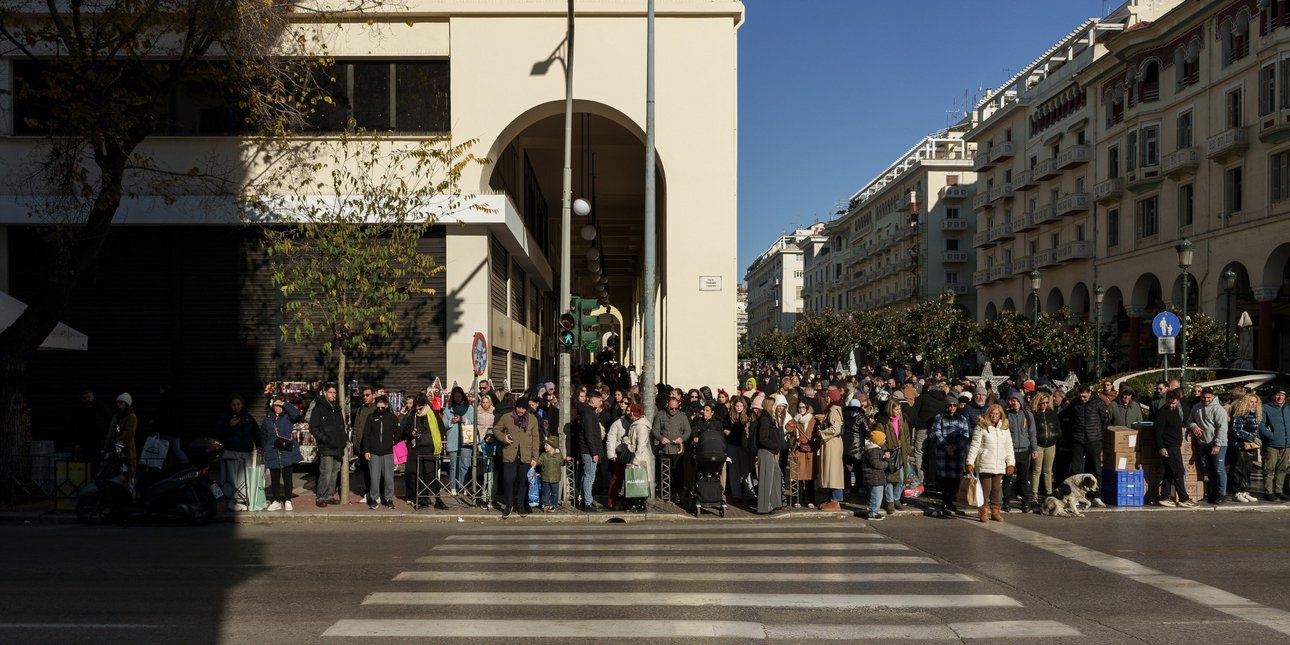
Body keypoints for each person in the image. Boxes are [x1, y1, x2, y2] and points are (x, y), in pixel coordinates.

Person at [492, 396, 542, 518]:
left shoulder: (532, 420)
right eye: (519, 408)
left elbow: (536, 439)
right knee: (508, 480)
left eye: (523, 408)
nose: (521, 411)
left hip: (526, 455)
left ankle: (520, 506)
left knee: (523, 481)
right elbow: (496, 429)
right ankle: (508, 505)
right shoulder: (507, 417)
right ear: (515, 407)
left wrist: (535, 457)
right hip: (510, 454)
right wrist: (503, 438)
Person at [1060, 385, 1109, 507]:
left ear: (1089, 393)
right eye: (1080, 396)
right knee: (1075, 469)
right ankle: (1073, 496)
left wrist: (1098, 434)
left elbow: (1105, 420)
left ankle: (1096, 496)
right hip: (1078, 439)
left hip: (1094, 439)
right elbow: (1070, 420)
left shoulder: (1098, 403)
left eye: (1084, 396)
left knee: (1096, 468)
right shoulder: (1074, 404)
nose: (1082, 399)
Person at [966, 403, 1015, 523]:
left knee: (996, 490)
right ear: (988, 414)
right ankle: (983, 511)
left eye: (997, 414)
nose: (994, 416)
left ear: (1000, 415)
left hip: (999, 464)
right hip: (985, 463)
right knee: (986, 490)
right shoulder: (981, 427)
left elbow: (1009, 447)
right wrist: (970, 462)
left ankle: (995, 511)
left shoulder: (1004, 428)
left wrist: (1010, 463)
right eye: (992, 413)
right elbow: (974, 446)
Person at [401, 394, 448, 510]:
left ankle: (438, 499)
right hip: (416, 448)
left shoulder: (432, 414)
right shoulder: (412, 415)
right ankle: (422, 499)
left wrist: (433, 439)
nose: (418, 410)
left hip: (430, 449)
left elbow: (441, 429)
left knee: (431, 474)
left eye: (420, 408)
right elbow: (405, 429)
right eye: (416, 407)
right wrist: (411, 433)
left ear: (425, 405)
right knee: (419, 474)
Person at [1187, 387, 1229, 505]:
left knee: (1219, 469)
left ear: (1213, 396)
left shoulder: (1218, 409)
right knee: (1209, 470)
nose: (1206, 400)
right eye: (1204, 397)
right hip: (1203, 443)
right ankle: (1213, 492)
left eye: (1209, 397)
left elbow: (1222, 428)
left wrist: (1217, 444)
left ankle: (1222, 494)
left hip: (1218, 444)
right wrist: (1194, 426)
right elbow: (1189, 420)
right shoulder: (1196, 407)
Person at [216, 395, 257, 512]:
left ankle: (242, 499)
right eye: (233, 404)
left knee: (243, 478)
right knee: (231, 477)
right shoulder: (224, 417)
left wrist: (260, 445)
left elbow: (255, 431)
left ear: (242, 405)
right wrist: (229, 425)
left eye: (238, 404)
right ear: (230, 405)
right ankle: (231, 500)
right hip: (230, 451)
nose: (236, 407)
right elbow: (217, 432)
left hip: (245, 452)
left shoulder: (248, 417)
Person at [930, 398, 971, 516]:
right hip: (944, 452)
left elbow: (966, 435)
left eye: (954, 405)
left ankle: (951, 501)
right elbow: (936, 433)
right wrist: (947, 446)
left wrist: (954, 447)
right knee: (944, 479)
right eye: (950, 405)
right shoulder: (940, 417)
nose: (952, 407)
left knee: (955, 480)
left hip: (957, 452)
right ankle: (945, 501)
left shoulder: (962, 418)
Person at [1153, 391, 1194, 507]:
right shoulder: (1162, 412)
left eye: (1174, 403)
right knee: (1178, 471)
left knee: (1170, 471)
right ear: (1166, 400)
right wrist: (1161, 447)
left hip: (1175, 446)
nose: (1171, 405)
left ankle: (1164, 496)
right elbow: (1157, 432)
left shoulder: (1176, 410)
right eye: (1169, 403)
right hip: (1168, 447)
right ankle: (1184, 498)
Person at [309, 383, 345, 508]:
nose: (333, 395)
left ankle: (329, 495)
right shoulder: (318, 408)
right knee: (326, 472)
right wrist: (324, 439)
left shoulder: (337, 407)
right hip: (326, 446)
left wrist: (343, 440)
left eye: (334, 393)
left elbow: (341, 426)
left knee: (335, 472)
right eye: (330, 392)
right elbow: (313, 427)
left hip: (338, 446)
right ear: (324, 393)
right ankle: (320, 497)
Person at [651, 396, 692, 504]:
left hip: (677, 450)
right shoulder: (660, 414)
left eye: (676, 408)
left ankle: (677, 493)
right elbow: (655, 430)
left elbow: (688, 431)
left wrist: (681, 439)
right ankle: (666, 494)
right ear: (667, 406)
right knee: (665, 473)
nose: (673, 410)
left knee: (678, 473)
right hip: (664, 449)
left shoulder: (682, 416)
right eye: (671, 408)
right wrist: (661, 438)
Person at [361, 395, 399, 509]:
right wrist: (366, 450)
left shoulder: (392, 417)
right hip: (374, 452)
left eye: (382, 408)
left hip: (388, 452)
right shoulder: (371, 417)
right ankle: (373, 498)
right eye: (378, 408)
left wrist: (393, 441)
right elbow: (366, 435)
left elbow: (397, 432)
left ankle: (389, 498)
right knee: (374, 476)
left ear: (386, 405)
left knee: (388, 477)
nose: (380, 410)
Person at [874, 399, 911, 514]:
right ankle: (890, 501)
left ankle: (896, 499)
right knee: (889, 478)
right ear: (890, 409)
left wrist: (908, 451)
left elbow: (907, 436)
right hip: (890, 452)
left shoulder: (902, 420)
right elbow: (878, 438)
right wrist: (884, 450)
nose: (898, 411)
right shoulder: (883, 422)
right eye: (896, 409)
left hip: (902, 452)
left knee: (901, 478)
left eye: (899, 409)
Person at [1002, 392, 1037, 513]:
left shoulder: (1028, 415)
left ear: (1020, 402)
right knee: (1008, 477)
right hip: (1010, 451)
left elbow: (1032, 433)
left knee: (1024, 478)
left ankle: (1025, 503)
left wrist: (1034, 449)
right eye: (1011, 400)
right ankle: (1006, 502)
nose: (1013, 403)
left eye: (1015, 400)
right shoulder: (1006, 415)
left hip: (1024, 451)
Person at [1227, 393, 1262, 503]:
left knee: (1247, 469)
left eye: (1255, 402)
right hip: (1238, 446)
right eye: (1251, 401)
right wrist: (1252, 437)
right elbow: (1236, 430)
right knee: (1238, 469)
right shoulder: (1240, 413)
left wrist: (1255, 438)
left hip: (1249, 446)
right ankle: (1236, 492)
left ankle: (1245, 491)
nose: (1253, 404)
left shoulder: (1254, 414)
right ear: (1246, 402)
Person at [753, 395, 785, 514]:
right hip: (766, 451)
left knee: (775, 475)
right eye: (775, 405)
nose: (777, 407)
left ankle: (775, 503)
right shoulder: (764, 419)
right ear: (770, 406)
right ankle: (764, 507)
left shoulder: (769, 418)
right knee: (766, 479)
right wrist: (774, 446)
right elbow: (763, 438)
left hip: (770, 451)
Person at [576, 390, 607, 512]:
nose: (600, 403)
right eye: (599, 401)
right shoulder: (589, 414)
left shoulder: (589, 412)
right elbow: (589, 435)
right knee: (590, 476)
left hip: (589, 450)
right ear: (593, 400)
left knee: (587, 475)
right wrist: (594, 452)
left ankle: (585, 499)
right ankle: (587, 502)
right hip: (589, 451)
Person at [443, 387, 475, 497]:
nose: (457, 398)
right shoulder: (448, 408)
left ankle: (465, 486)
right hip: (452, 439)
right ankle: (453, 487)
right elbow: (444, 425)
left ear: (462, 396)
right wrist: (451, 421)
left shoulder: (469, 408)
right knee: (453, 465)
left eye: (459, 396)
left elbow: (473, 422)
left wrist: (463, 420)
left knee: (465, 464)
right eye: (455, 396)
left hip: (466, 439)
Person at [815, 401, 846, 511]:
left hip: (832, 444)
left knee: (834, 473)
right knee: (831, 472)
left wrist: (822, 433)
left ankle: (835, 500)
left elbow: (835, 429)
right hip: (831, 443)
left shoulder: (833, 411)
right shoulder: (834, 410)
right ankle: (832, 499)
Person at [1030, 392, 1060, 501]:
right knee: (1036, 470)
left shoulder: (1052, 413)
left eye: (1047, 402)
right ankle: (1034, 493)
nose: (1045, 405)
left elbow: (1057, 427)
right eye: (1042, 403)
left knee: (1048, 470)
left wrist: (1055, 436)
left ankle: (1049, 493)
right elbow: (1032, 430)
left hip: (1051, 444)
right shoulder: (1034, 414)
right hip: (1038, 445)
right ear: (1038, 403)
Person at [1260, 389, 1290, 501]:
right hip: (1271, 444)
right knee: (1269, 469)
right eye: (1278, 395)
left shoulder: (1287, 408)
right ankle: (1268, 492)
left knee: (1282, 469)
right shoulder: (1265, 407)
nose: (1280, 397)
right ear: (1273, 395)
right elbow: (1260, 425)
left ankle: (1279, 491)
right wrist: (1272, 436)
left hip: (1286, 444)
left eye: (1282, 395)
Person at [786, 400, 817, 508]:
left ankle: (810, 499)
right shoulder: (797, 419)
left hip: (809, 451)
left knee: (809, 477)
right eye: (799, 407)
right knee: (797, 476)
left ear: (807, 408)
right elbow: (788, 428)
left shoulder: (813, 419)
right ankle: (797, 499)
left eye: (803, 407)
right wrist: (795, 419)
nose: (801, 410)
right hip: (798, 450)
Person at [625, 403, 654, 511]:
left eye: (630, 411)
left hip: (640, 456)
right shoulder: (637, 424)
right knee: (637, 479)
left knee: (639, 479)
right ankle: (637, 503)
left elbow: (641, 444)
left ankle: (641, 504)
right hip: (638, 454)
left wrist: (636, 460)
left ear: (633, 412)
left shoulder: (640, 426)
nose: (628, 413)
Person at [860, 429, 889, 521]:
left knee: (877, 495)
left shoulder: (873, 449)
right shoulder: (874, 450)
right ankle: (873, 513)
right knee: (876, 495)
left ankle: (874, 511)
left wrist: (883, 457)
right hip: (875, 477)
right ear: (878, 441)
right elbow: (876, 463)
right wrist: (886, 463)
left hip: (875, 476)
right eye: (883, 439)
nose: (885, 441)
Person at [72, 390, 112, 458]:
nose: (87, 399)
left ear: (93, 397)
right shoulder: (79, 410)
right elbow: (76, 427)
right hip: (84, 442)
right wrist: (77, 443)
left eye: (89, 397)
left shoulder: (101, 408)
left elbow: (109, 422)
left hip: (99, 442)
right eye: (84, 398)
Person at [536, 436, 570, 512]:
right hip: (545, 477)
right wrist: (535, 463)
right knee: (545, 492)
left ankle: (553, 504)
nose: (544, 446)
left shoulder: (558, 455)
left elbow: (562, 463)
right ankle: (545, 504)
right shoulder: (543, 455)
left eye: (546, 445)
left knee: (554, 493)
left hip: (555, 478)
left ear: (552, 446)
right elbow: (539, 461)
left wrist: (565, 460)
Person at [475, 394, 498, 507]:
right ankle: (484, 497)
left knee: (492, 473)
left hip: (492, 443)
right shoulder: (477, 411)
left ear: (490, 403)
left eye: (487, 402)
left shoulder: (494, 412)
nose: (485, 404)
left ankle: (491, 497)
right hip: (481, 444)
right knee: (485, 473)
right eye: (483, 402)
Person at [112, 393, 138, 480]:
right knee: (120, 472)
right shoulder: (118, 416)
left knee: (128, 474)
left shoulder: (131, 417)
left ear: (126, 403)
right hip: (118, 448)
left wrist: (117, 441)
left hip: (126, 449)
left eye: (121, 402)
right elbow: (117, 431)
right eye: (117, 402)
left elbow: (128, 434)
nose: (118, 404)